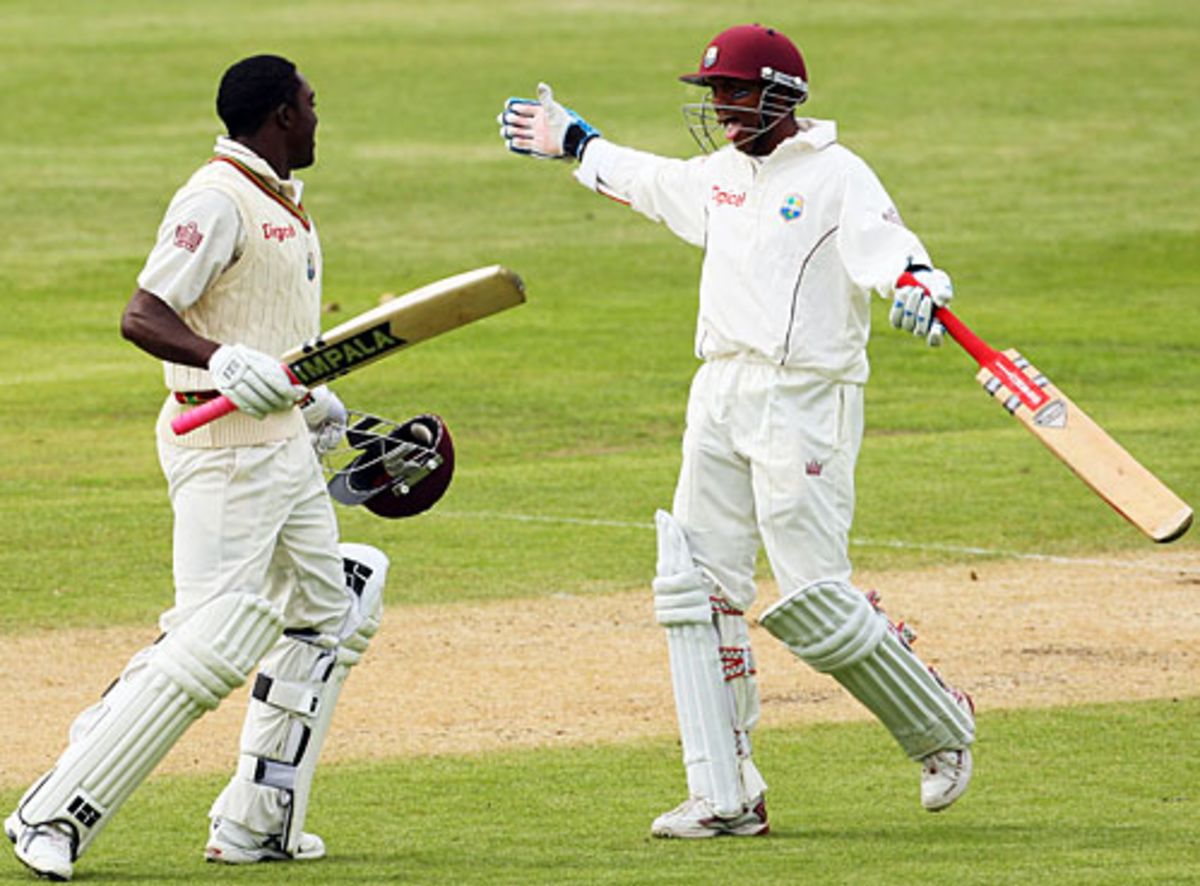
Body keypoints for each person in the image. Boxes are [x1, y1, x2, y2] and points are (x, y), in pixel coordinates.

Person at [498, 23, 975, 838]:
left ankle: (942, 728)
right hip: (719, 390)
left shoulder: (835, 174)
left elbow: (888, 247)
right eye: (712, 93)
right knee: (697, 588)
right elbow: (650, 182)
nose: (719, 107)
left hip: (805, 397)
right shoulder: (719, 177)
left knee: (816, 600)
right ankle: (726, 793)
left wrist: (918, 283)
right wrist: (578, 142)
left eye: (734, 92)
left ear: (781, 97)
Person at [5, 55, 389, 880]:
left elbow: (270, 339)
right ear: (282, 116)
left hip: (279, 448)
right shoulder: (215, 199)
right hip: (219, 454)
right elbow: (143, 314)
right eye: (312, 105)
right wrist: (219, 363)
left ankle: (257, 821)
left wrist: (307, 401)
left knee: (331, 613)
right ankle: (54, 809)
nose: (320, 119)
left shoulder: (282, 201)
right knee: (209, 641)